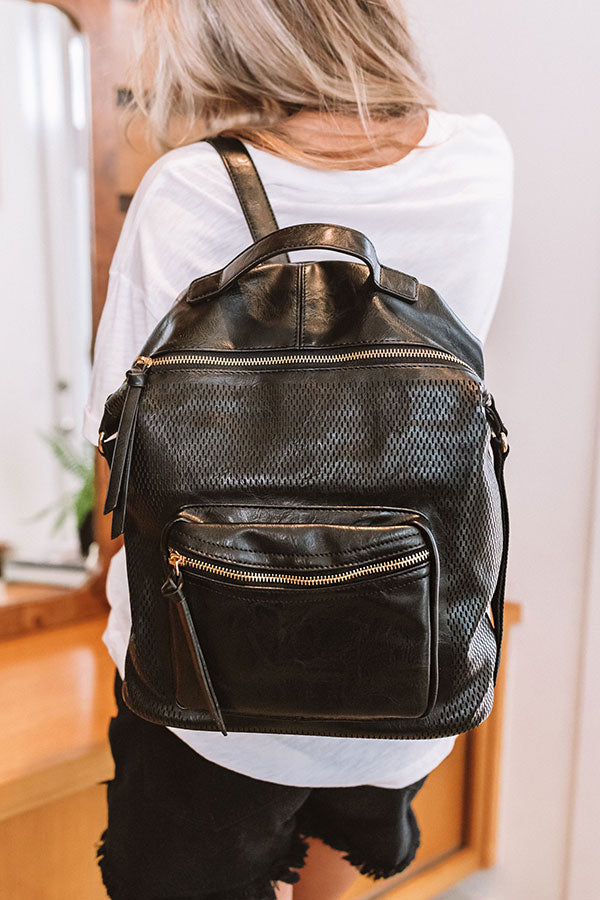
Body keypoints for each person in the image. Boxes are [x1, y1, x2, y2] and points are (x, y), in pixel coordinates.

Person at [82, 2, 514, 898]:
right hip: (410, 648)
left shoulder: (192, 186)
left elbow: (117, 441)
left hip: (213, 690)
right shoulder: (480, 160)